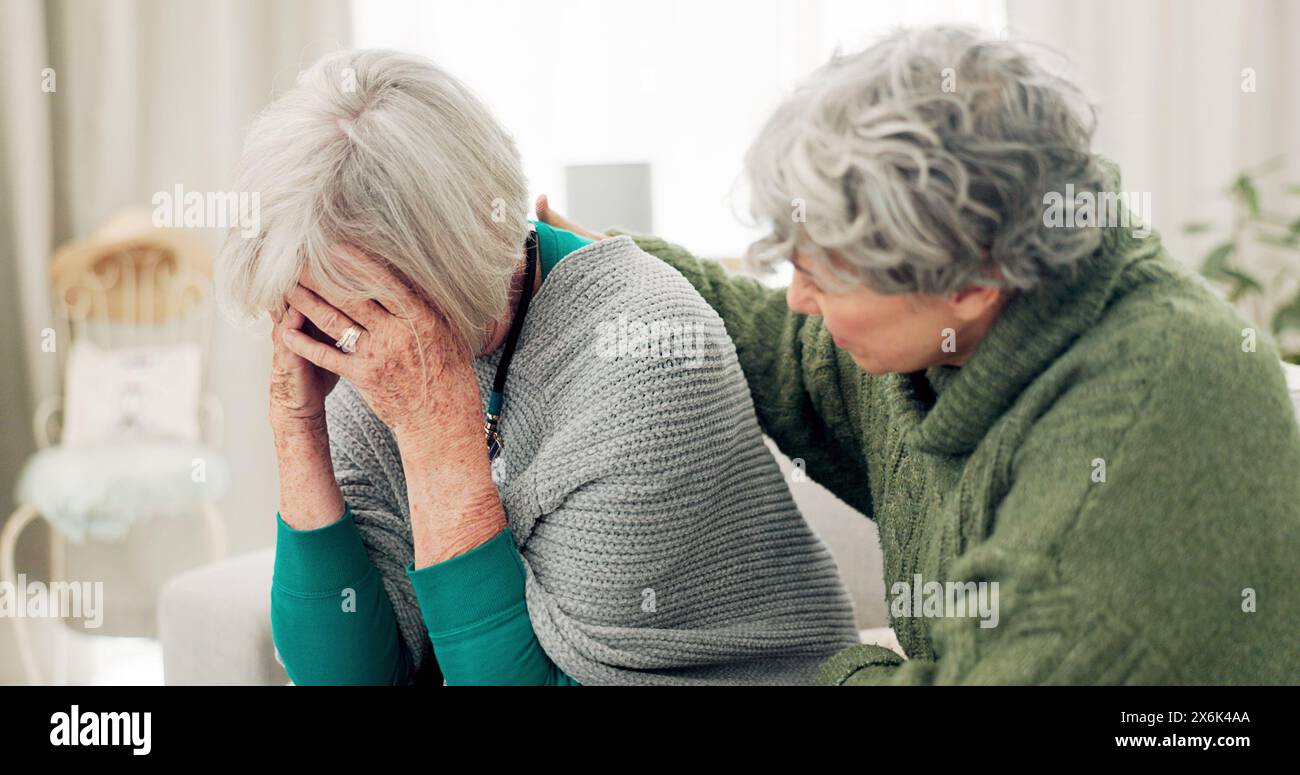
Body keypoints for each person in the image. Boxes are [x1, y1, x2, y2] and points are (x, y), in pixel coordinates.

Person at [539, 26, 1300, 684]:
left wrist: (818, 666)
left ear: (972, 274)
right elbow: (789, 350)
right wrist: (614, 262)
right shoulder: (946, 333)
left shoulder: (1150, 414)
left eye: (823, 270)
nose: (800, 296)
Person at [216, 50, 859, 685]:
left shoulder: (646, 354)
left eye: (346, 303)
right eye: (310, 305)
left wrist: (435, 434)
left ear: (439, 267)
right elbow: (348, 677)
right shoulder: (372, 336)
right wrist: (297, 423)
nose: (331, 329)